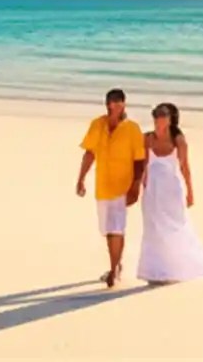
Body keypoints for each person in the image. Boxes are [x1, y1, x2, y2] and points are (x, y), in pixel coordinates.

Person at [76, 88, 146, 288]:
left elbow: (139, 160)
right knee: (108, 230)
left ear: (124, 103)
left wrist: (135, 185)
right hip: (102, 186)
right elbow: (90, 153)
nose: (112, 105)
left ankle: (114, 269)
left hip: (122, 186)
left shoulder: (132, 129)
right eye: (109, 102)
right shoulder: (97, 124)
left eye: (116, 101)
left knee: (117, 228)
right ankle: (116, 264)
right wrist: (81, 178)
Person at [136, 102, 203, 284]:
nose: (158, 121)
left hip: (172, 190)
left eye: (162, 117)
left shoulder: (178, 140)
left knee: (175, 226)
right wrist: (138, 188)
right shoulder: (147, 139)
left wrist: (190, 192)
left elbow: (185, 167)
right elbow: (142, 166)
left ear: (170, 120)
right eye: (156, 117)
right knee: (153, 229)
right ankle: (155, 272)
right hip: (152, 191)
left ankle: (176, 268)